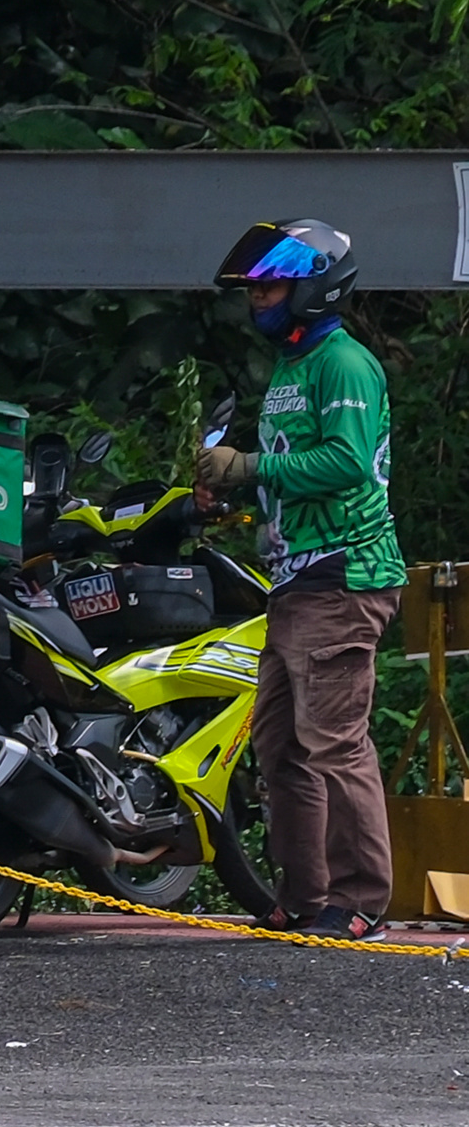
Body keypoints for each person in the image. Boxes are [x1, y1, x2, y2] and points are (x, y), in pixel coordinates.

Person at [201, 219, 404, 942]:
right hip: (296, 580)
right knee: (280, 745)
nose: (257, 298)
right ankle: (304, 894)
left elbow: (346, 462)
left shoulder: (343, 364)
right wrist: (232, 488)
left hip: (344, 573)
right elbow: (294, 468)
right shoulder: (291, 369)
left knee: (334, 740)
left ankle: (361, 897)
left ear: (315, 288)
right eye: (254, 289)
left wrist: (250, 466)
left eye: (272, 286)